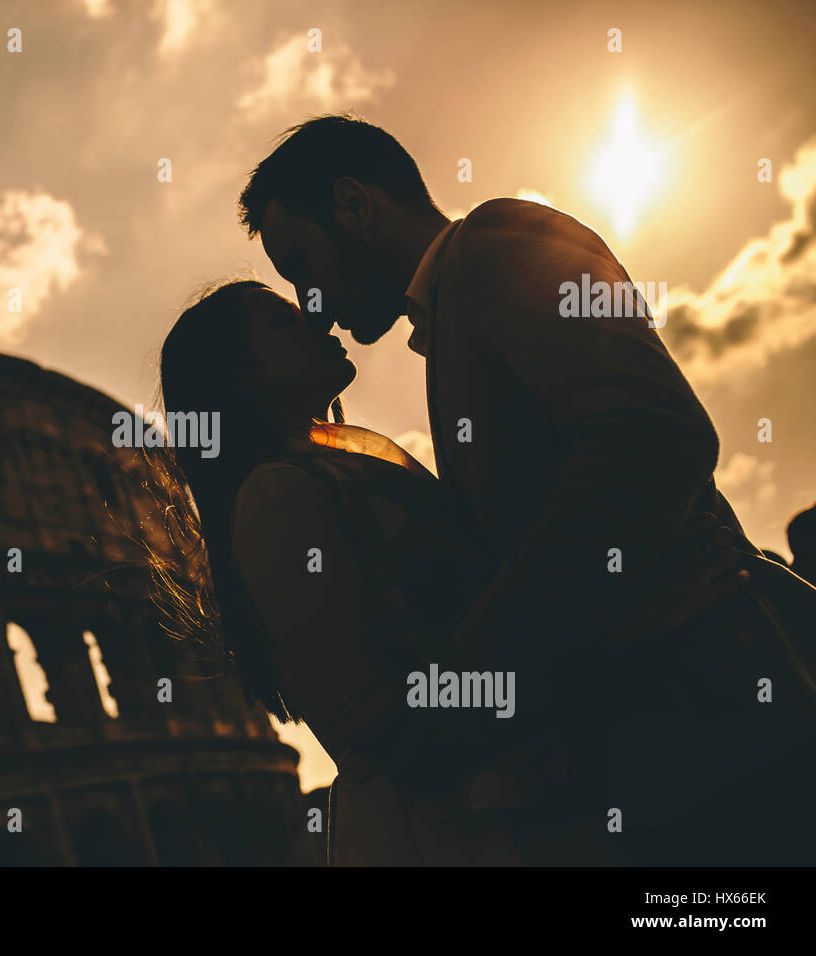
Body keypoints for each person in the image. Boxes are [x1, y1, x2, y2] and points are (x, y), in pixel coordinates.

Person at [231, 113, 816, 864]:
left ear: (354, 204)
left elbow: (652, 435)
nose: (313, 302)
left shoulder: (498, 243)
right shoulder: (456, 305)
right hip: (673, 721)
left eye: (304, 265)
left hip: (706, 706)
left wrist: (475, 668)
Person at [153, 279, 748, 865]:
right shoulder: (277, 495)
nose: (321, 319)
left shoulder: (319, 472)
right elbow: (377, 721)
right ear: (243, 378)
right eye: (285, 321)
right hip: (457, 829)